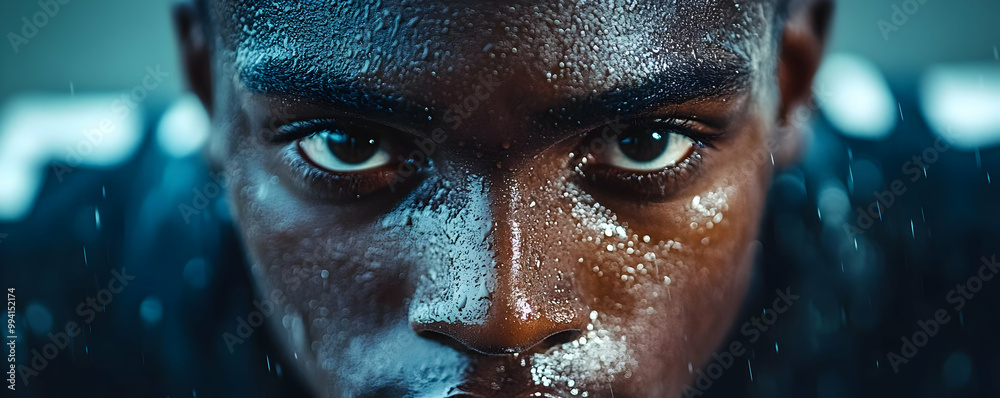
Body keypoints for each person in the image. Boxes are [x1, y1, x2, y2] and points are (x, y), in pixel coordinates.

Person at [173, 0, 832, 396]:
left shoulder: (929, 300)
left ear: (790, 81)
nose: (501, 313)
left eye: (645, 142)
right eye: (347, 145)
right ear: (209, 88)